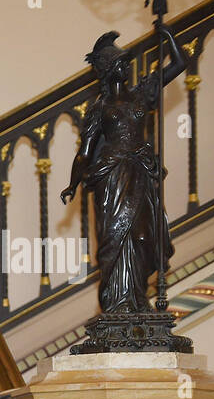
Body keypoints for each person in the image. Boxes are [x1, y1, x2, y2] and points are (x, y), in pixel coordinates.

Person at [60, 23, 187, 314]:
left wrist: (167, 36)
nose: (126, 67)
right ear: (107, 70)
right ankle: (118, 304)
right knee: (114, 239)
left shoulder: (143, 93)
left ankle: (138, 299)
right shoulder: (99, 108)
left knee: (142, 236)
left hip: (140, 171)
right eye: (120, 63)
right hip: (112, 177)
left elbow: (180, 63)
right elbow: (85, 153)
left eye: (126, 62)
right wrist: (73, 183)